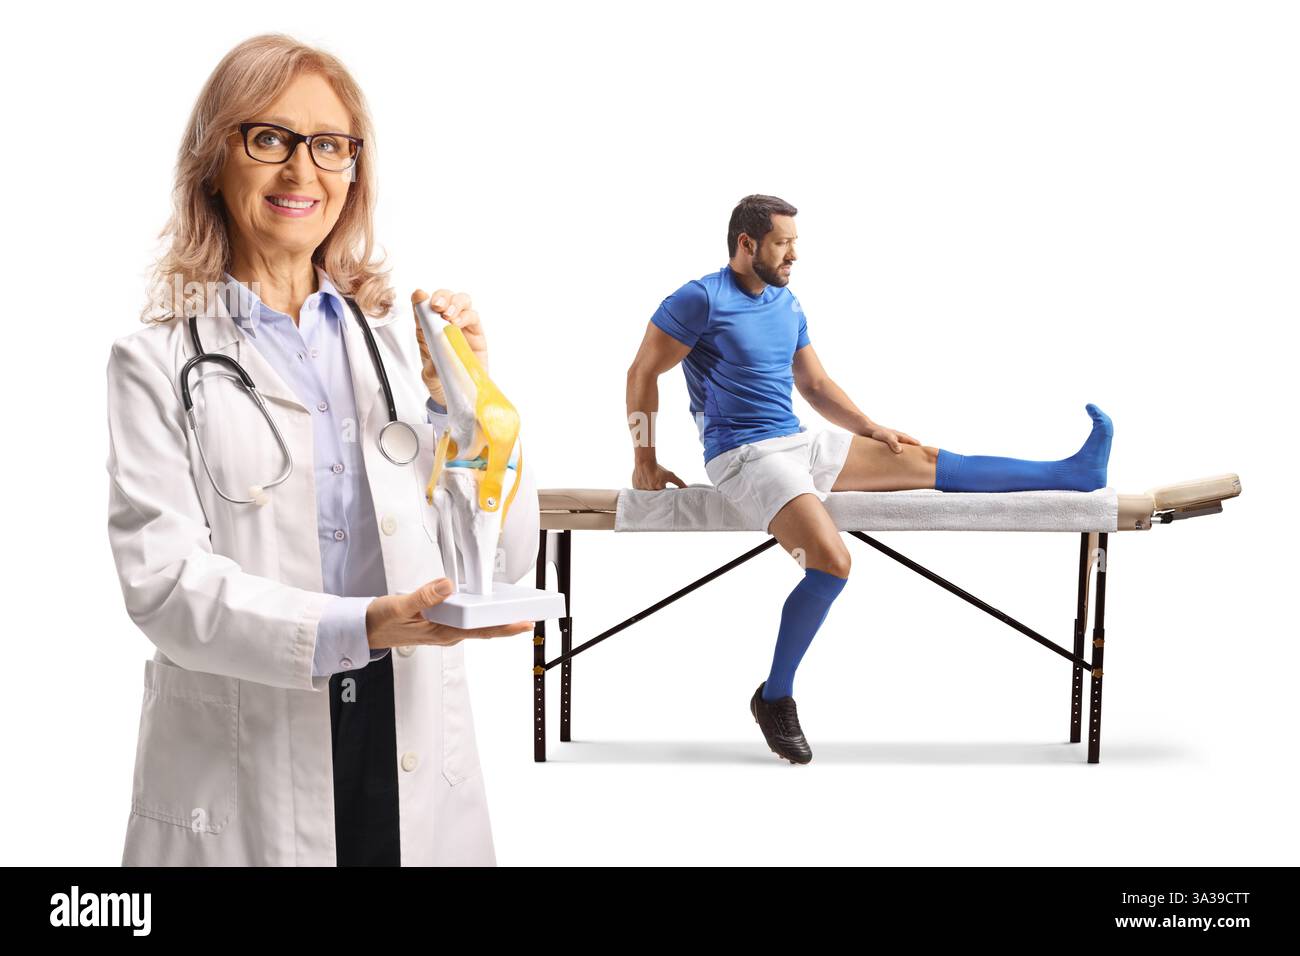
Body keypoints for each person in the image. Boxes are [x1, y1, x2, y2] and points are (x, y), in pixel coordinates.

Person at [105, 33, 537, 865]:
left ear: (354, 172)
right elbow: (163, 585)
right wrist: (362, 624)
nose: (303, 171)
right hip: (249, 738)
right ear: (212, 161)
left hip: (405, 724)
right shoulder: (153, 361)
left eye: (331, 146)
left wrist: (471, 405)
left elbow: (501, 560)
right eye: (269, 139)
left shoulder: (397, 351)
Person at [626, 193, 1113, 765]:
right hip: (742, 455)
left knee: (922, 458)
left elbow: (814, 385)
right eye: (783, 243)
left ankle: (1073, 472)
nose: (793, 255)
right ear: (746, 244)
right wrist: (644, 458)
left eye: (795, 243)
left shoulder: (786, 300)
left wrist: (870, 427)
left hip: (796, 440)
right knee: (832, 563)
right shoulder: (698, 299)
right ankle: (774, 695)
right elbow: (642, 371)